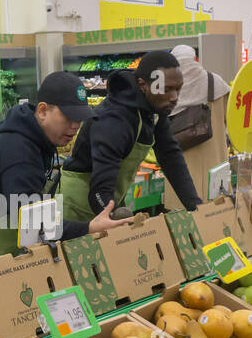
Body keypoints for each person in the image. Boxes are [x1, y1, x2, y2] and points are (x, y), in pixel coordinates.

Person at [0, 72, 132, 273]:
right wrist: (88, 228)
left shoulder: (38, 144)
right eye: (68, 117)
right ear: (43, 111)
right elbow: (33, 222)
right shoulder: (17, 152)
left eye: (79, 119)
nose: (75, 126)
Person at [60, 50, 202, 223]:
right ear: (143, 85)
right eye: (167, 89)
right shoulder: (113, 121)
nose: (174, 98)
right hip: (78, 206)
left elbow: (170, 156)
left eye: (178, 89)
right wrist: (112, 217)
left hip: (109, 198)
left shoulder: (154, 110)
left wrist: (195, 207)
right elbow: (100, 186)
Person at [167, 43, 227, 209]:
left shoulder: (167, 87)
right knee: (215, 213)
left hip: (180, 164)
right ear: (195, 59)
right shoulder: (215, 81)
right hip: (213, 161)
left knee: (183, 216)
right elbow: (229, 117)